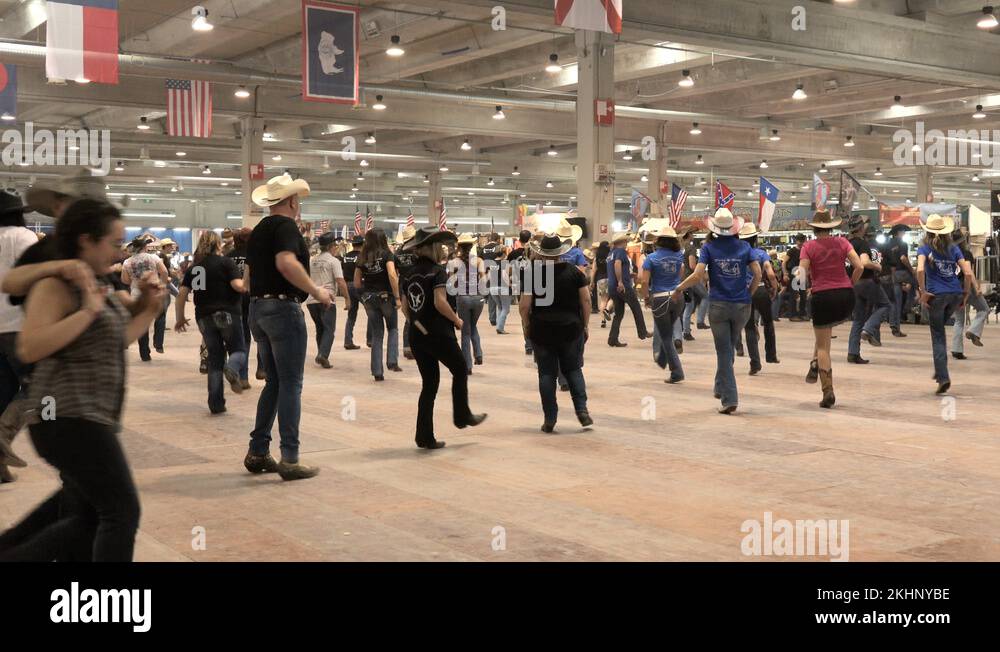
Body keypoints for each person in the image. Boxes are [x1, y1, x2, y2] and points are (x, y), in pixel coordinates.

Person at [0, 199, 165, 562]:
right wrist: (89, 309)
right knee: (120, 512)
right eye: (114, 242)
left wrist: (150, 308)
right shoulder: (58, 282)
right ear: (87, 239)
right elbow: (29, 346)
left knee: (85, 515)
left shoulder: (95, 279)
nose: (120, 251)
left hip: (89, 415)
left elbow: (114, 340)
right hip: (67, 416)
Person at [244, 173, 332, 481]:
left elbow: (249, 276)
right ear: (292, 200)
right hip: (282, 308)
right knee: (292, 383)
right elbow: (286, 263)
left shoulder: (258, 231)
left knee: (275, 382)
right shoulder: (286, 226)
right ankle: (290, 458)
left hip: (258, 308)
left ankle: (258, 452)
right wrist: (317, 290)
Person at [398, 227, 486, 449]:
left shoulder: (407, 273)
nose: (445, 249)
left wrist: (416, 322)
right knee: (459, 369)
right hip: (439, 333)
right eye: (441, 246)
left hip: (418, 334)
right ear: (433, 248)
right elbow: (439, 301)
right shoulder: (437, 271)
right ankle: (462, 415)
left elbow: (406, 308)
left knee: (429, 385)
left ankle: (424, 436)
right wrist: (456, 320)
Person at [673, 209, 761, 414]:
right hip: (742, 306)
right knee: (729, 346)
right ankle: (720, 386)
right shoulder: (745, 247)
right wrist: (749, 292)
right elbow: (758, 272)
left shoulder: (709, 248)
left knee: (723, 352)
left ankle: (730, 399)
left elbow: (697, 275)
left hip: (719, 305)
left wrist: (679, 288)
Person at [519, 233, 593, 433]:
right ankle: (582, 410)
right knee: (574, 369)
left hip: (542, 330)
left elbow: (524, 306)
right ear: (560, 252)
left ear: (541, 254)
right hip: (570, 329)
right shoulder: (574, 272)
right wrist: (585, 325)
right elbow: (586, 301)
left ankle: (550, 418)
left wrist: (526, 326)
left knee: (546, 374)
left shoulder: (531, 274)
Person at [797, 210, 864, 408]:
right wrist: (849, 284)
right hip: (845, 297)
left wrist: (801, 290)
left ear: (814, 227)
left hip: (822, 296)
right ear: (831, 226)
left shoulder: (808, 246)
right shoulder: (843, 242)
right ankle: (814, 362)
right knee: (824, 335)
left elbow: (801, 273)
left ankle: (828, 391)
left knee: (823, 346)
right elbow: (859, 266)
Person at [175, 231, 247, 414]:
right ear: (218, 245)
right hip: (227, 313)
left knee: (214, 360)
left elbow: (181, 295)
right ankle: (232, 368)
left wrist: (180, 318)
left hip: (203, 317)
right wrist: (247, 279)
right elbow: (237, 286)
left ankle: (216, 404)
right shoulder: (225, 263)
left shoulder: (194, 268)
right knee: (238, 350)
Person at [0, 192, 39, 483]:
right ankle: (2, 434)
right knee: (38, 387)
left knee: (2, 394)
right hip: (18, 325)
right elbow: (35, 279)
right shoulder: (22, 237)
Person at [917, 214, 973, 395]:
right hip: (955, 294)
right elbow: (968, 273)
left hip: (937, 296)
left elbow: (919, 270)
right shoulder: (954, 248)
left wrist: (923, 291)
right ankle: (940, 370)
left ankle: (943, 377)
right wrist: (966, 293)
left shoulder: (924, 248)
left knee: (938, 336)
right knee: (940, 328)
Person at [639, 224, 686, 384]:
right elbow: (681, 275)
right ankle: (661, 360)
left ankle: (676, 372)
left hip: (660, 298)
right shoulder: (679, 256)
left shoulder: (651, 258)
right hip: (677, 298)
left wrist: (646, 297)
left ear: (658, 240)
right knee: (669, 330)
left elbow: (645, 281)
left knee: (666, 337)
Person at [355, 229, 401, 381]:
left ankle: (377, 371)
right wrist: (397, 297)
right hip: (386, 297)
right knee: (393, 328)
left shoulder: (362, 257)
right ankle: (392, 361)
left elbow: (356, 282)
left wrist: (363, 295)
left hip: (369, 297)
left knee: (377, 334)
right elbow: (392, 275)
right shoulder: (387, 255)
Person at [845, 215, 889, 364]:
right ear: (861, 228)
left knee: (857, 319)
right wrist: (877, 266)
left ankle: (853, 353)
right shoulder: (862, 244)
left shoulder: (846, 244)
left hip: (853, 283)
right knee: (885, 305)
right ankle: (869, 329)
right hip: (867, 281)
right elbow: (864, 262)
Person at [739, 223, 780, 375]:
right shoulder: (761, 253)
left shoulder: (738, 254)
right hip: (761, 289)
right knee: (768, 322)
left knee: (749, 327)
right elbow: (769, 273)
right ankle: (771, 355)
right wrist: (775, 287)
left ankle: (755, 363)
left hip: (745, 292)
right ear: (755, 238)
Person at [305, 232, 351, 368]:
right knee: (329, 329)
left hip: (312, 300)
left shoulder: (312, 260)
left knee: (320, 328)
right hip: (327, 299)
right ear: (332, 246)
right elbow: (340, 281)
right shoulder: (333, 261)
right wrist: (347, 299)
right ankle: (323, 355)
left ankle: (321, 354)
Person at [122, 236, 170, 361]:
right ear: (144, 247)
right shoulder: (153, 258)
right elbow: (164, 272)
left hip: (137, 294)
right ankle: (158, 343)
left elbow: (125, 280)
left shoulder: (127, 262)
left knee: (142, 324)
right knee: (160, 317)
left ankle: (145, 354)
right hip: (154, 292)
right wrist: (163, 285)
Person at [448, 233, 487, 373]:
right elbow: (484, 280)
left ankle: (467, 365)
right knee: (472, 325)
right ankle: (478, 353)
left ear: (459, 247)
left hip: (463, 297)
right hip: (478, 298)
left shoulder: (453, 263)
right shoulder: (479, 261)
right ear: (471, 247)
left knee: (465, 331)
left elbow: (451, 283)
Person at [607, 231, 651, 347]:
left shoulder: (611, 253)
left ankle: (612, 339)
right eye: (625, 241)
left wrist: (627, 275)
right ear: (621, 242)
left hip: (612, 286)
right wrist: (621, 281)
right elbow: (617, 264)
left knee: (619, 313)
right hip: (623, 286)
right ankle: (642, 332)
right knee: (636, 307)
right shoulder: (621, 252)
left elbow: (614, 267)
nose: (627, 243)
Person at [950, 229, 988, 360]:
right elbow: (968, 272)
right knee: (984, 308)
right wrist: (976, 286)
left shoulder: (948, 253)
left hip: (952, 288)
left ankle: (956, 350)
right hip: (966, 287)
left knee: (959, 320)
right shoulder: (965, 253)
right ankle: (973, 331)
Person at [228, 227, 256, 387]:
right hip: (252, 298)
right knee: (263, 336)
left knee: (242, 338)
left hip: (233, 300)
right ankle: (262, 368)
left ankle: (243, 376)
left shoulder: (227, 257)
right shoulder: (256, 255)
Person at [507, 230, 535, 354]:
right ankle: (535, 341)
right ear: (530, 238)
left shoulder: (513, 254)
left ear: (519, 238)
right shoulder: (536, 252)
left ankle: (528, 343)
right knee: (535, 312)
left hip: (520, 286)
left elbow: (509, 271)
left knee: (524, 313)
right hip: (537, 284)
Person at [884, 224, 914, 336]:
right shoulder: (903, 244)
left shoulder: (887, 244)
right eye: (903, 232)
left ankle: (894, 324)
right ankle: (907, 309)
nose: (904, 234)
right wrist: (912, 270)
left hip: (889, 274)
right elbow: (903, 258)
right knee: (915, 282)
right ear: (899, 232)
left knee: (894, 300)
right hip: (901, 273)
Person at [394, 226, 418, 359]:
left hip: (403, 284)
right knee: (417, 314)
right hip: (416, 285)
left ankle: (407, 346)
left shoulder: (397, 253)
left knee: (408, 316)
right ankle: (416, 346)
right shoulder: (416, 251)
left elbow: (394, 272)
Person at [680, 227, 709, 339]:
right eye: (692, 233)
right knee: (706, 296)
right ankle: (700, 321)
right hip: (692, 278)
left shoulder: (681, 248)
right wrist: (700, 271)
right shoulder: (691, 248)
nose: (693, 235)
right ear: (689, 235)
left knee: (689, 304)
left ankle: (686, 332)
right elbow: (692, 265)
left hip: (683, 278)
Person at [342, 235, 364, 351]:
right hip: (359, 285)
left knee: (351, 315)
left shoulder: (345, 256)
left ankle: (348, 340)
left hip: (347, 285)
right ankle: (370, 339)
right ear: (362, 245)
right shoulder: (362, 257)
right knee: (372, 311)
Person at [781, 233, 809, 321]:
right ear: (796, 241)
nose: (800, 242)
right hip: (793, 272)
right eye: (799, 240)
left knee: (803, 294)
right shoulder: (792, 251)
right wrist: (785, 273)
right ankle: (792, 315)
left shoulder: (805, 250)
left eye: (802, 241)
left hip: (802, 272)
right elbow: (784, 262)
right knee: (793, 294)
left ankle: (802, 313)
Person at [480, 233, 504, 326]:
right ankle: (500, 318)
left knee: (491, 296)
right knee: (500, 297)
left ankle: (492, 318)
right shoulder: (499, 247)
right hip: (498, 272)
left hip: (487, 273)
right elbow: (502, 257)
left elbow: (480, 260)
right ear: (498, 239)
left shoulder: (484, 248)